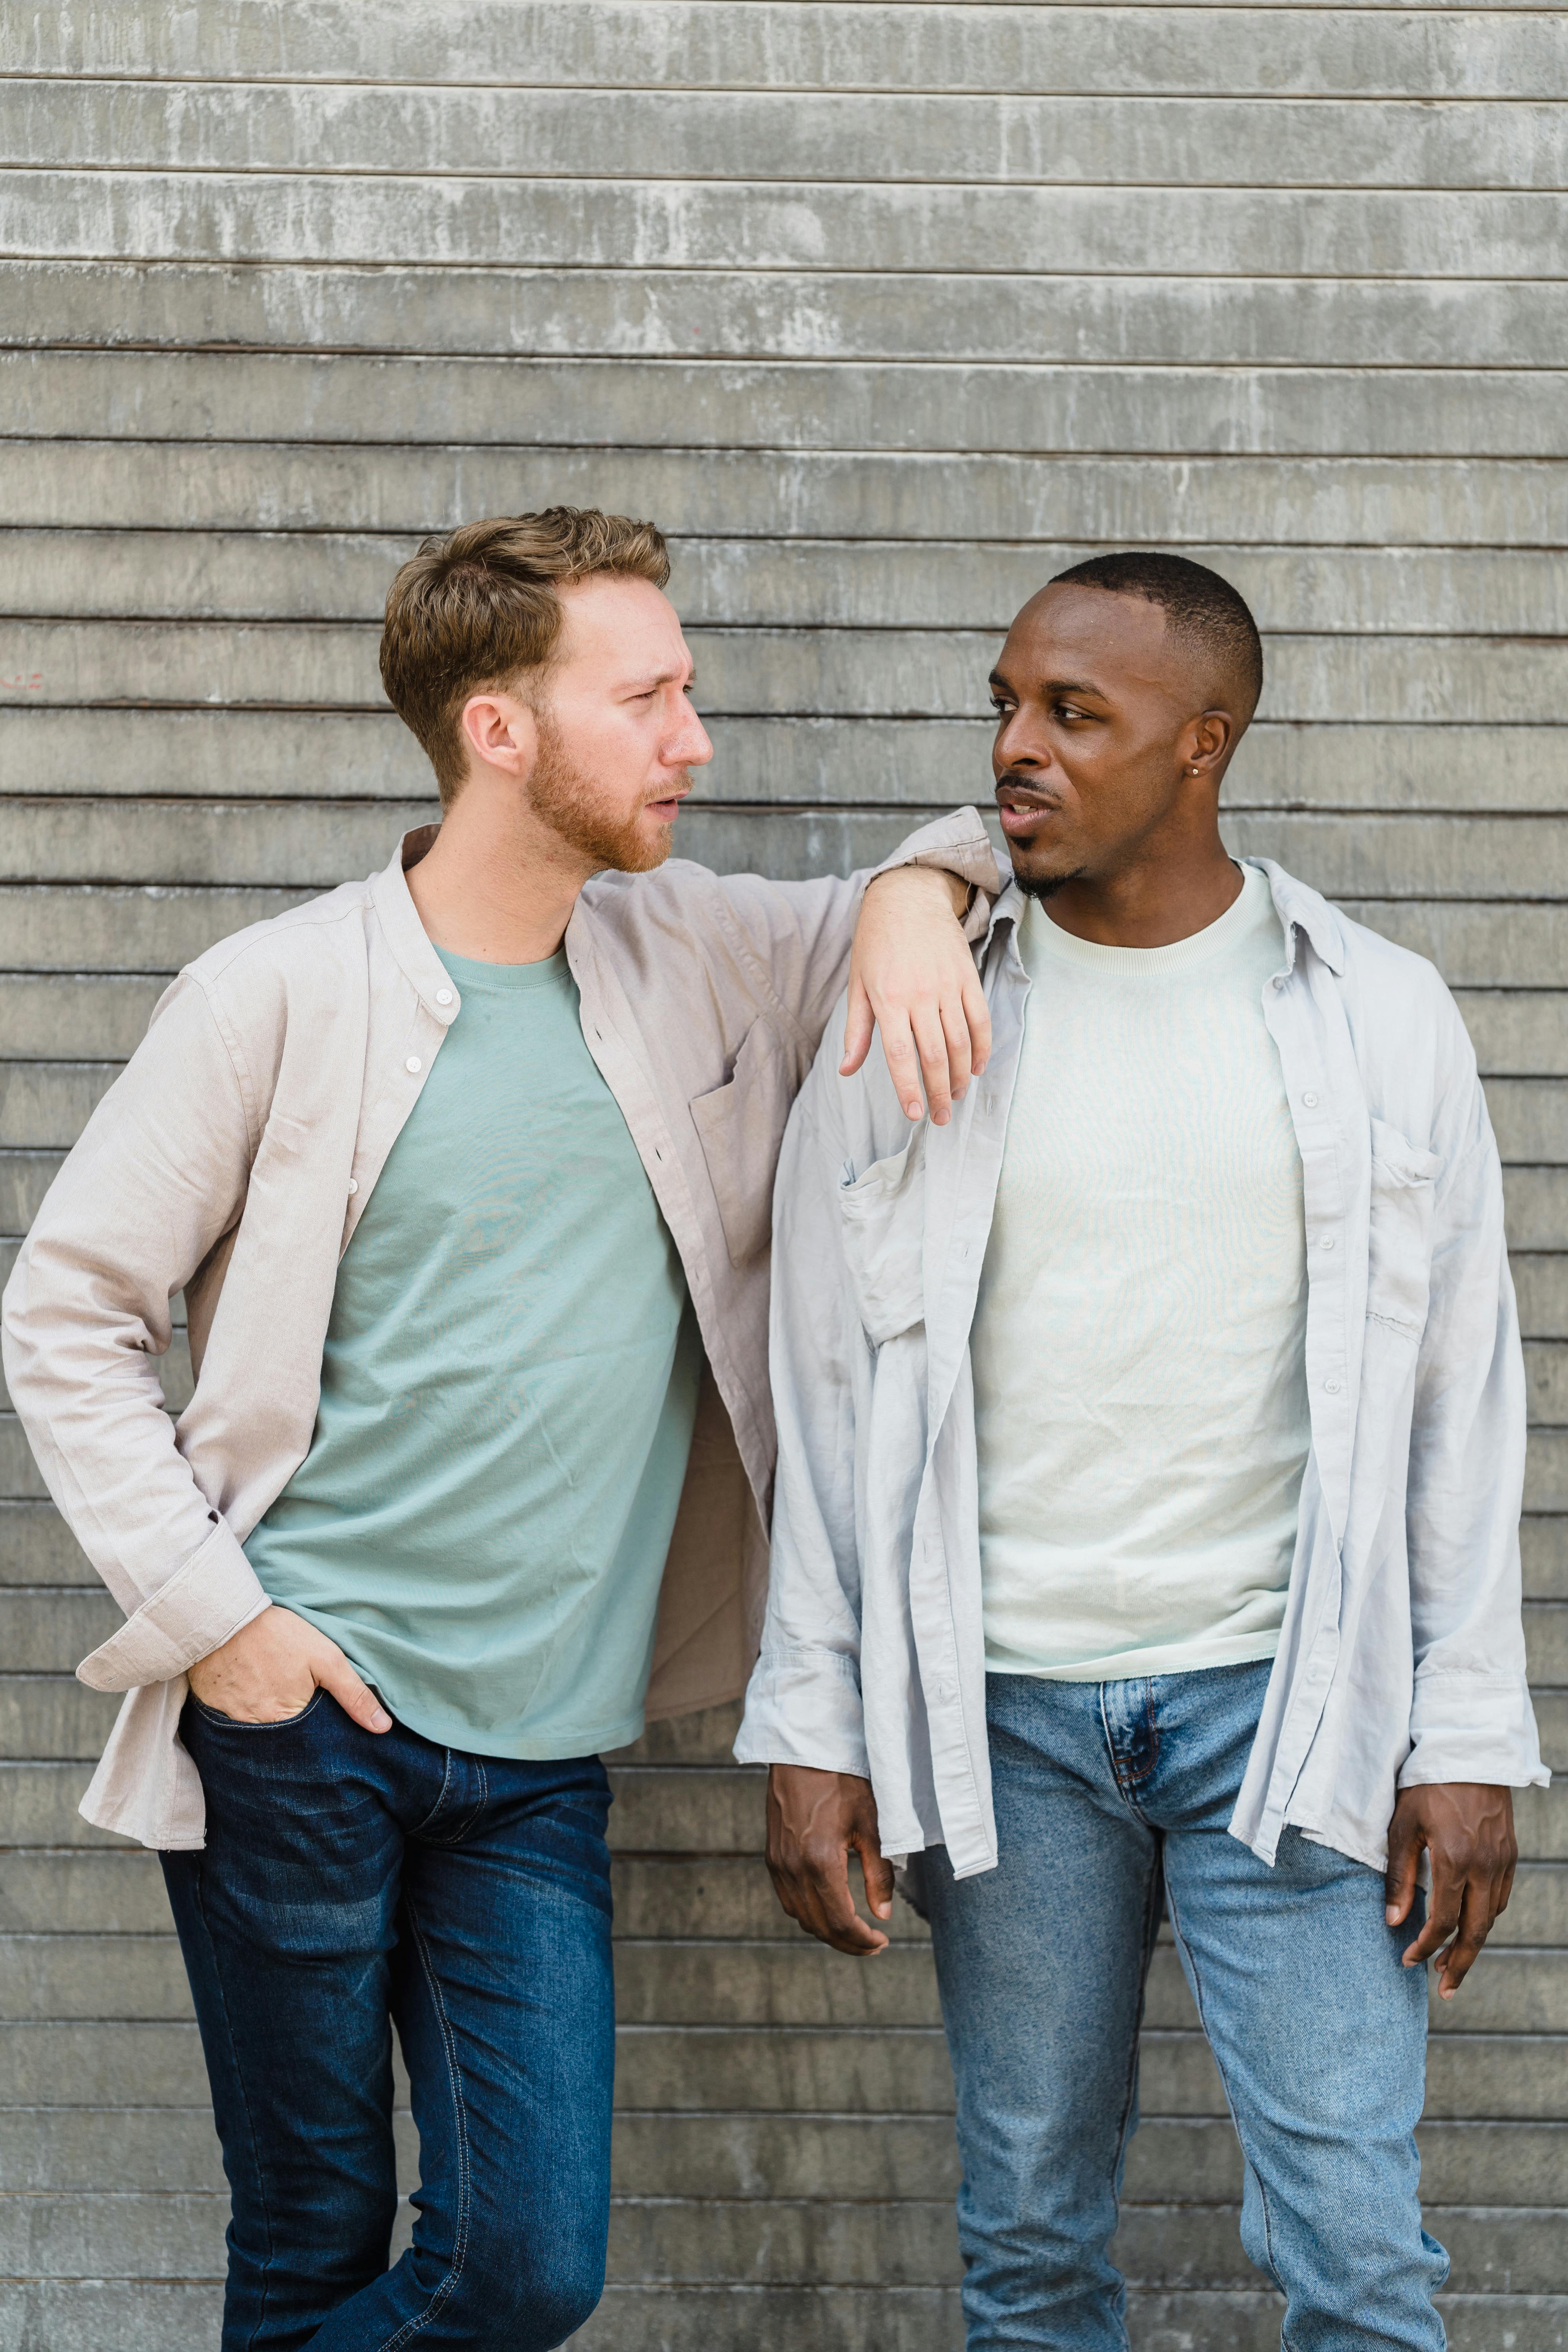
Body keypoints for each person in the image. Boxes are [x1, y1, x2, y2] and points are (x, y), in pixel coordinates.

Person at [1, 507, 1000, 2352]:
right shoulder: (276, 994)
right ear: (499, 731)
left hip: (538, 1756)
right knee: (305, 2233)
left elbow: (960, 857)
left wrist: (916, 900)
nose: (693, 738)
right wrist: (224, 1626)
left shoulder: (691, 952)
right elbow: (65, 1310)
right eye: (648, 699)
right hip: (300, 1730)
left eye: (685, 692)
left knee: (526, 2269)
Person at [740, 552, 1547, 2349]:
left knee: (1355, 2241)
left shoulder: (1373, 1011)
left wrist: (1469, 1727)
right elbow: (821, 1391)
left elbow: (1460, 1398)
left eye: (1071, 716)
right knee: (1027, 2236)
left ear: (1207, 742)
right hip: (1000, 1713)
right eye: (1005, 708)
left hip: (1293, 1697)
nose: (1012, 751)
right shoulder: (920, 1005)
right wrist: (811, 1717)